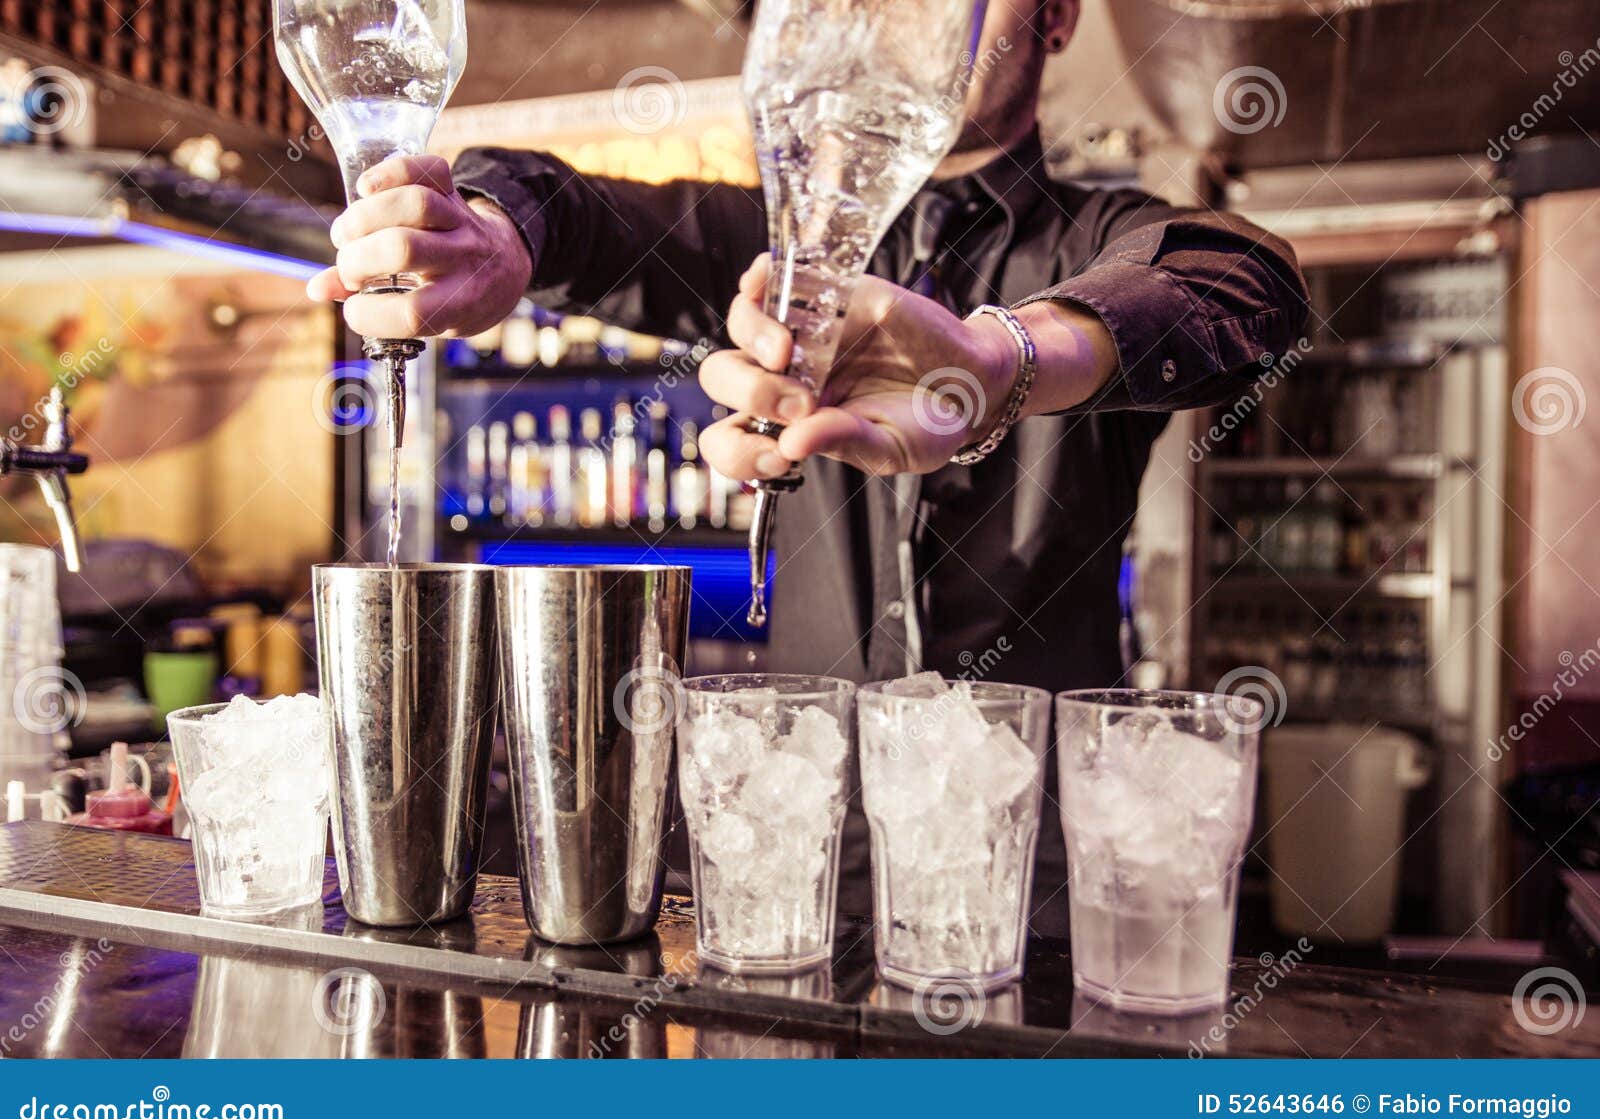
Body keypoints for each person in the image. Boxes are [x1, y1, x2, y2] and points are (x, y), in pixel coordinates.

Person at [308, 0, 1308, 928]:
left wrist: (1004, 360)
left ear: (1053, 15)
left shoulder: (1098, 239)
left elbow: (1246, 284)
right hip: (793, 848)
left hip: (1034, 869)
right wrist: (495, 231)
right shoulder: (772, 245)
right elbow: (564, 206)